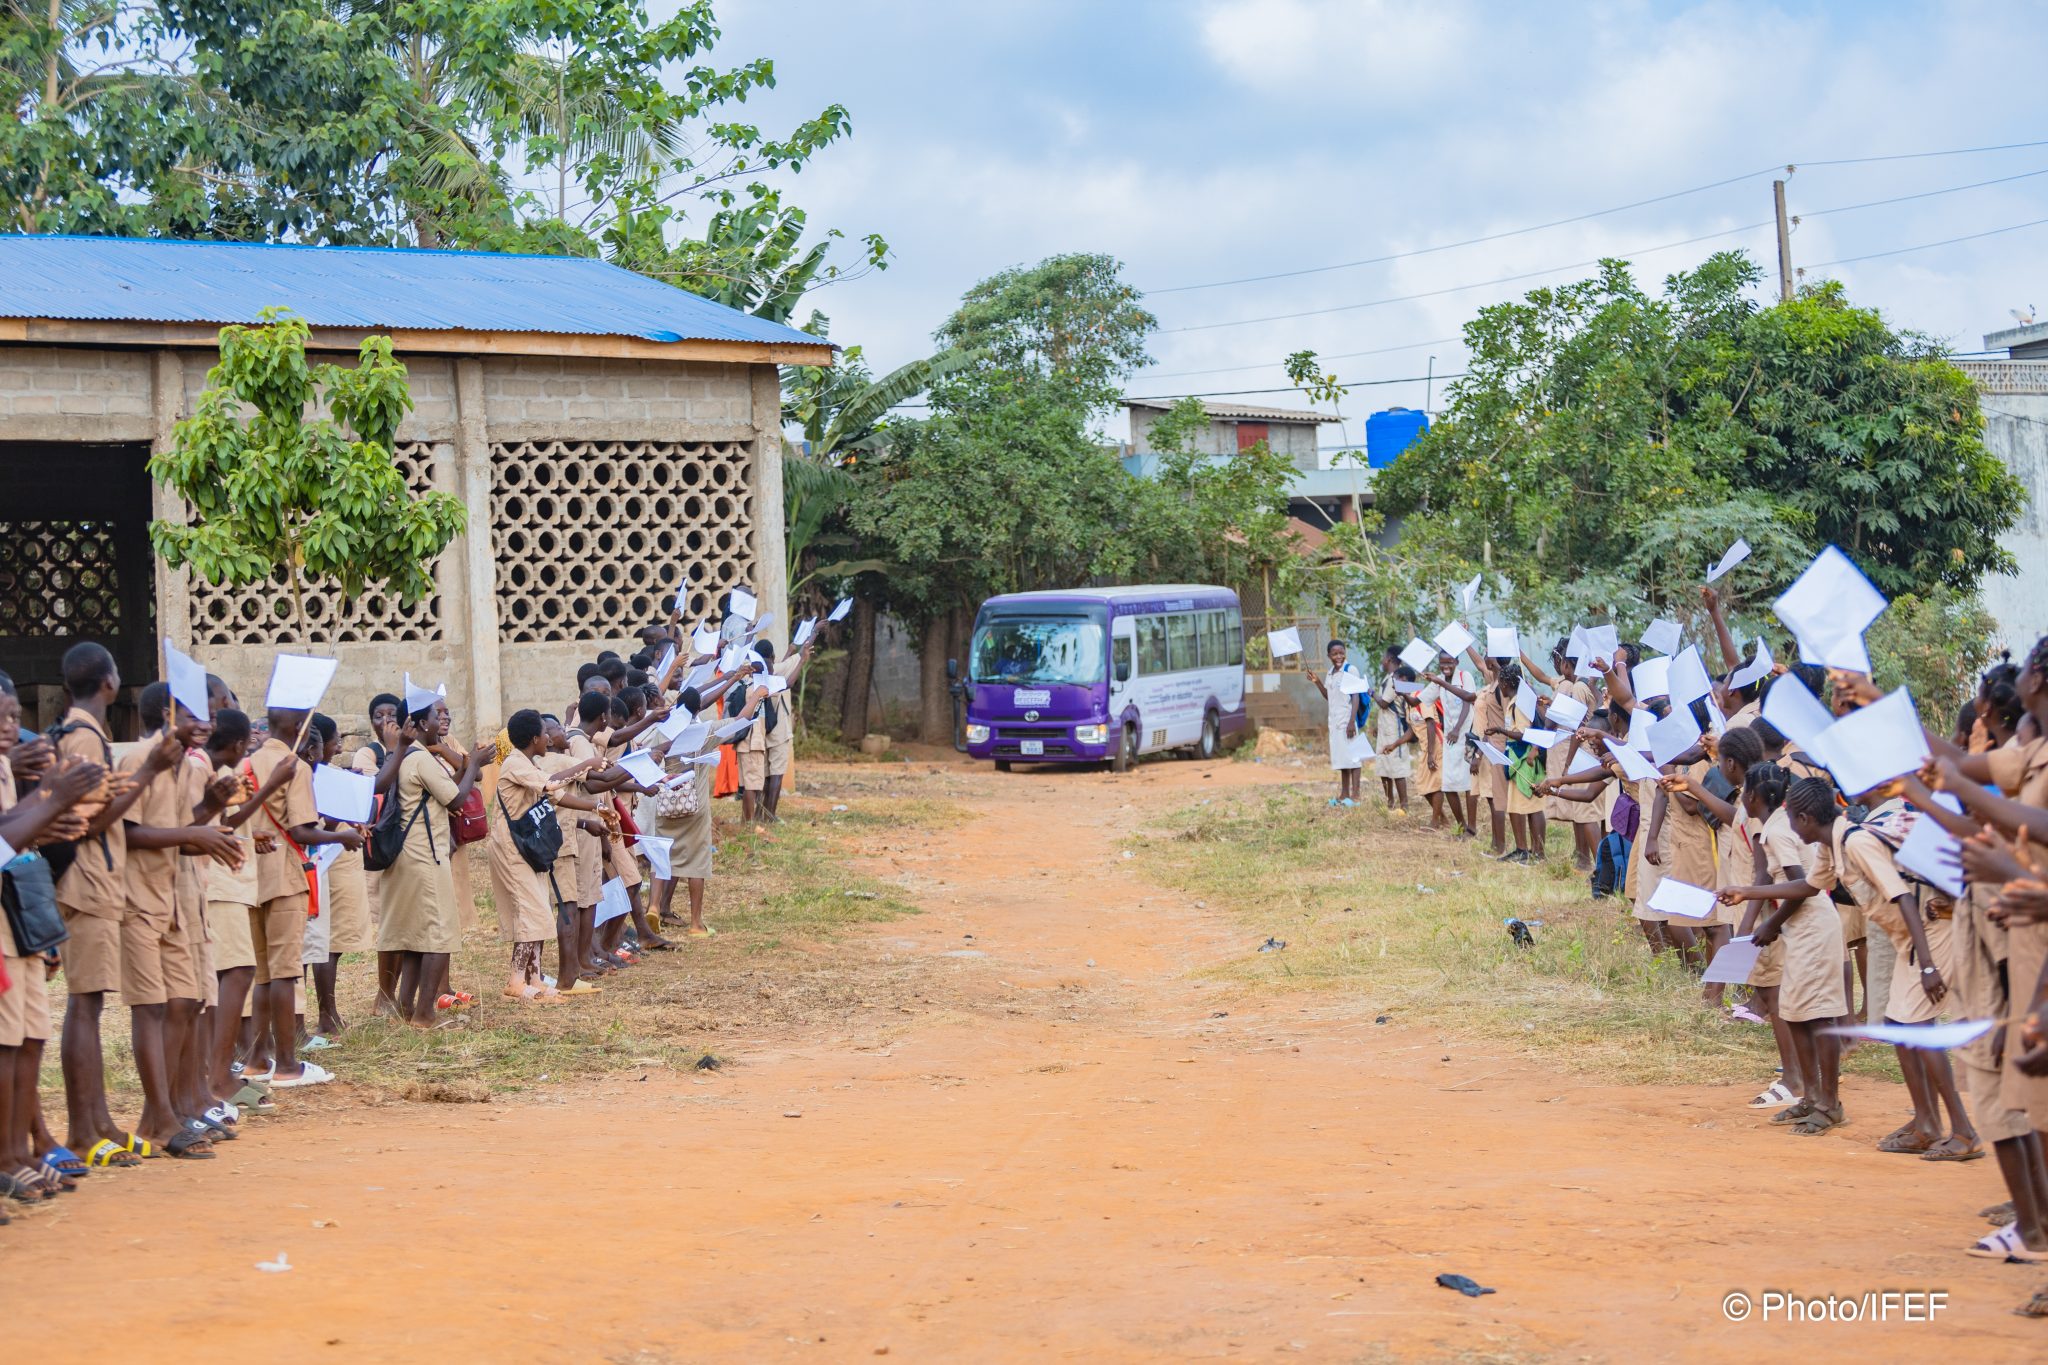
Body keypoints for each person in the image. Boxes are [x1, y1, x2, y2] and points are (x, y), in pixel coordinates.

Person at [51, 642, 175, 1166]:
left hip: (98, 882)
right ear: (109, 682)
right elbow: (86, 822)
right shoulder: (82, 737)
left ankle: (101, 1121)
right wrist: (146, 774)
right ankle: (83, 1130)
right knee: (84, 1004)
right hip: (86, 883)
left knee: (93, 1003)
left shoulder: (88, 735)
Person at [118, 682, 238, 1158]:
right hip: (143, 896)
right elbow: (125, 830)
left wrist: (210, 812)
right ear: (168, 713)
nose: (208, 721)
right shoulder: (141, 761)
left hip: (175, 899)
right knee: (153, 1007)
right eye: (196, 712)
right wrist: (200, 831)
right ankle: (158, 1116)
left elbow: (182, 826)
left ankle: (175, 1106)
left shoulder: (187, 766)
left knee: (185, 1002)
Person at [0, 668, 106, 1199]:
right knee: (6, 1042)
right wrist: (49, 797)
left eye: (15, 717)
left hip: (20, 919)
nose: (9, 727)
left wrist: (49, 812)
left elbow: (12, 833)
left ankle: (19, 1150)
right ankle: (9, 1154)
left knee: (27, 1035)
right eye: (1, 717)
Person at [242, 704, 355, 1086]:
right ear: (293, 726)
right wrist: (343, 836)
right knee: (286, 972)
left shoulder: (249, 761)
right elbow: (304, 830)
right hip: (286, 875)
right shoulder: (297, 766)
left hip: (251, 876)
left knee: (261, 974)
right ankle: (288, 1064)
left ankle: (258, 1060)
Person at [376, 696, 493, 1026]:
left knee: (416, 937)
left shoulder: (403, 757)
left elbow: (439, 793)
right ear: (419, 724)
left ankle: (406, 1007)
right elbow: (455, 798)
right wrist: (473, 765)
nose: (439, 722)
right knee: (439, 936)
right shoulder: (421, 758)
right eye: (433, 716)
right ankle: (426, 1013)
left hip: (404, 854)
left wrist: (463, 770)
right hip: (424, 855)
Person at [491, 709, 564, 1005]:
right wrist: (586, 766)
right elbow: (551, 786)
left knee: (540, 911)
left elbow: (556, 792)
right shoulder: (513, 765)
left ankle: (534, 977)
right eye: (545, 733)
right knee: (529, 911)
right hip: (512, 848)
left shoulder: (527, 764)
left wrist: (594, 808)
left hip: (529, 847)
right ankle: (516, 980)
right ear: (534, 738)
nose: (548, 738)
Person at [1524, 640, 1602, 870]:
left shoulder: (1576, 688)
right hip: (1582, 750)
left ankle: (1595, 864)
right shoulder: (1584, 685)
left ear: (1566, 664)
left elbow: (1568, 723)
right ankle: (1583, 857)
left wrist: (1568, 763)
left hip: (1580, 751)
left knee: (1586, 812)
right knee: (1580, 809)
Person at [1309, 639, 1368, 807]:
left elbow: (1355, 695)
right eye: (1334, 653)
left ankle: (1356, 794)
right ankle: (1344, 793)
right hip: (1335, 722)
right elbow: (1329, 696)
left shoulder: (1351, 670)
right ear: (1329, 655)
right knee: (1342, 757)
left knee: (1354, 757)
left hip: (1347, 721)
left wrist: (1351, 721)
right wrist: (1317, 682)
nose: (1338, 656)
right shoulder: (1330, 673)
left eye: (1341, 652)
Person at [1373, 654, 1415, 812]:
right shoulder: (1389, 678)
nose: (1382, 660)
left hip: (1395, 728)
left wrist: (1371, 693)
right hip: (1386, 727)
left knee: (1397, 768)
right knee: (1383, 766)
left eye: (1383, 657)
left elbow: (1384, 703)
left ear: (1389, 659)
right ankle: (1389, 801)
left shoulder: (1395, 680)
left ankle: (1404, 804)